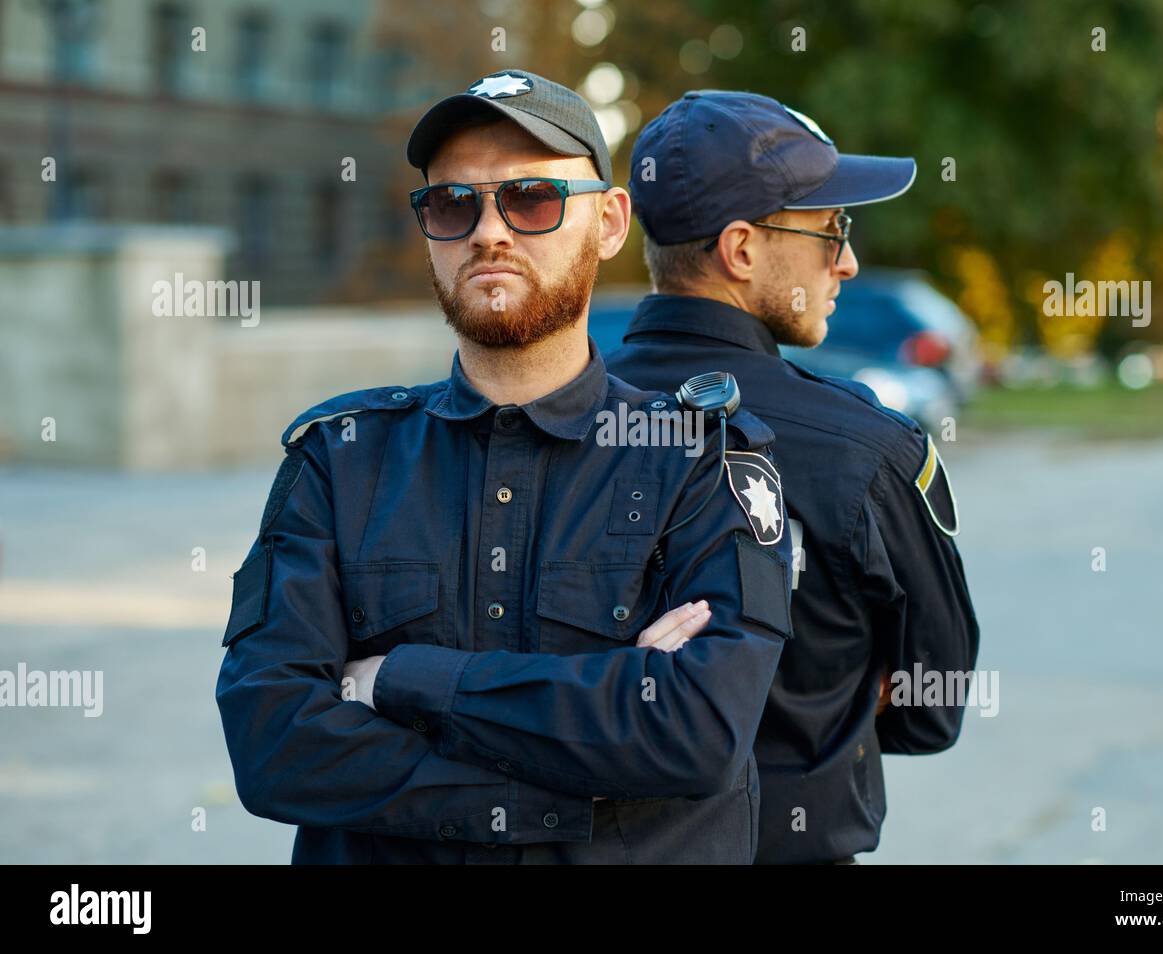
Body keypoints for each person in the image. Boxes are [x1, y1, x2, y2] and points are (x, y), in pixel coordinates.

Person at [214, 71, 794, 864]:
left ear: (611, 222)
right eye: (454, 204)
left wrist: (396, 681)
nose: (489, 231)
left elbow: (697, 735)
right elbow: (274, 746)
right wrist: (588, 763)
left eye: (530, 198)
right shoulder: (339, 460)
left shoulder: (698, 462)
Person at [605, 90, 980, 864]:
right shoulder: (866, 448)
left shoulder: (558, 425)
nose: (846, 259)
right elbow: (930, 707)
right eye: (830, 231)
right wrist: (837, 693)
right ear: (741, 250)